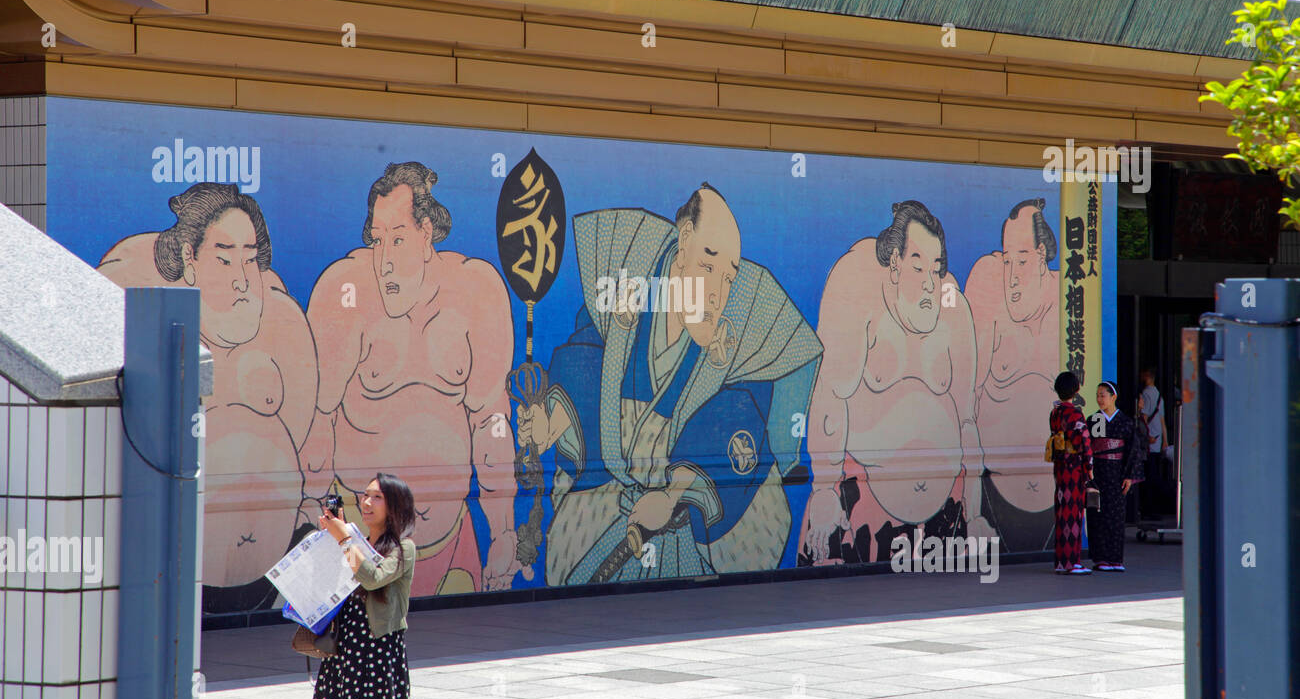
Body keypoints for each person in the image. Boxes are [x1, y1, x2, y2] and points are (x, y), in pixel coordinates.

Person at [517, 184, 822, 585]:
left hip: (682, 511)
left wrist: (672, 496)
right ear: (684, 243)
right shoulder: (628, 290)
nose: (717, 294)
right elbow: (587, 363)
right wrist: (550, 423)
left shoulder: (736, 336)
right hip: (616, 495)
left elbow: (736, 419)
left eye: (728, 279)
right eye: (709, 266)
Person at [304, 161, 519, 597]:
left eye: (398, 240)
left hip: (450, 542)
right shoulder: (342, 292)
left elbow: (492, 422)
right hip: (360, 548)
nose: (384, 261)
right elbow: (316, 430)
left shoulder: (476, 292)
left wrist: (504, 533)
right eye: (378, 240)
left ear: (427, 234)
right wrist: (318, 529)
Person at [98, 183, 317, 597]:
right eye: (224, 258)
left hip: (271, 574)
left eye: (250, 260)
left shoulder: (285, 323)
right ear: (189, 258)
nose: (242, 280)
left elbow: (304, 442)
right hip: (168, 572)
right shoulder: (140, 317)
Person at [802, 199, 988, 566]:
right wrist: (824, 487)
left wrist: (976, 510)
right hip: (858, 507)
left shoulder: (955, 310)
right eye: (918, 266)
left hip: (941, 514)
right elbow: (830, 396)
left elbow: (967, 420)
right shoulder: (854, 286)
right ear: (894, 263)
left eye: (935, 269)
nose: (928, 283)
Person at [964, 198, 1060, 551]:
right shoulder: (986, 287)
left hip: (1058, 491)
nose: (1012, 275)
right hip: (993, 497)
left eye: (1021, 260)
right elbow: (966, 397)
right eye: (1007, 261)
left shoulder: (1068, 299)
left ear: (1041, 257)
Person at [310, 472, 416, 699]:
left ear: (395, 506)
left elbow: (373, 578)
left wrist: (344, 539)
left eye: (377, 497)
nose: (366, 502)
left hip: (378, 649)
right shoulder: (358, 542)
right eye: (366, 495)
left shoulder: (403, 548)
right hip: (345, 647)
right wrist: (330, 540)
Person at [1088, 382, 1143, 571]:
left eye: (1103, 395)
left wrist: (1129, 476)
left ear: (1114, 397)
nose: (1099, 399)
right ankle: (1101, 558)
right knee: (1097, 515)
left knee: (1117, 516)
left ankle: (1115, 559)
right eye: (1097, 395)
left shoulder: (1126, 423)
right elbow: (1090, 449)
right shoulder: (1095, 420)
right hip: (1098, 473)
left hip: (1118, 474)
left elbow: (1134, 450)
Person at [1048, 371, 1093, 574]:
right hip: (1074, 468)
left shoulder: (1055, 413)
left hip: (1059, 467)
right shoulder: (1075, 413)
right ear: (1075, 390)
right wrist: (1089, 468)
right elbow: (1084, 442)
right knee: (1073, 514)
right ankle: (1072, 562)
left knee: (1061, 512)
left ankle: (1060, 561)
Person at [1137, 368, 1167, 521]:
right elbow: (1162, 420)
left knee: (1148, 477)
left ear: (1148, 376)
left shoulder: (1146, 394)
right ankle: (1156, 508)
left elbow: (1144, 417)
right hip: (1157, 440)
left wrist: (1145, 437)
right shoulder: (1159, 395)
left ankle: (1147, 509)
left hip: (1149, 442)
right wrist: (1165, 441)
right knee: (1155, 475)